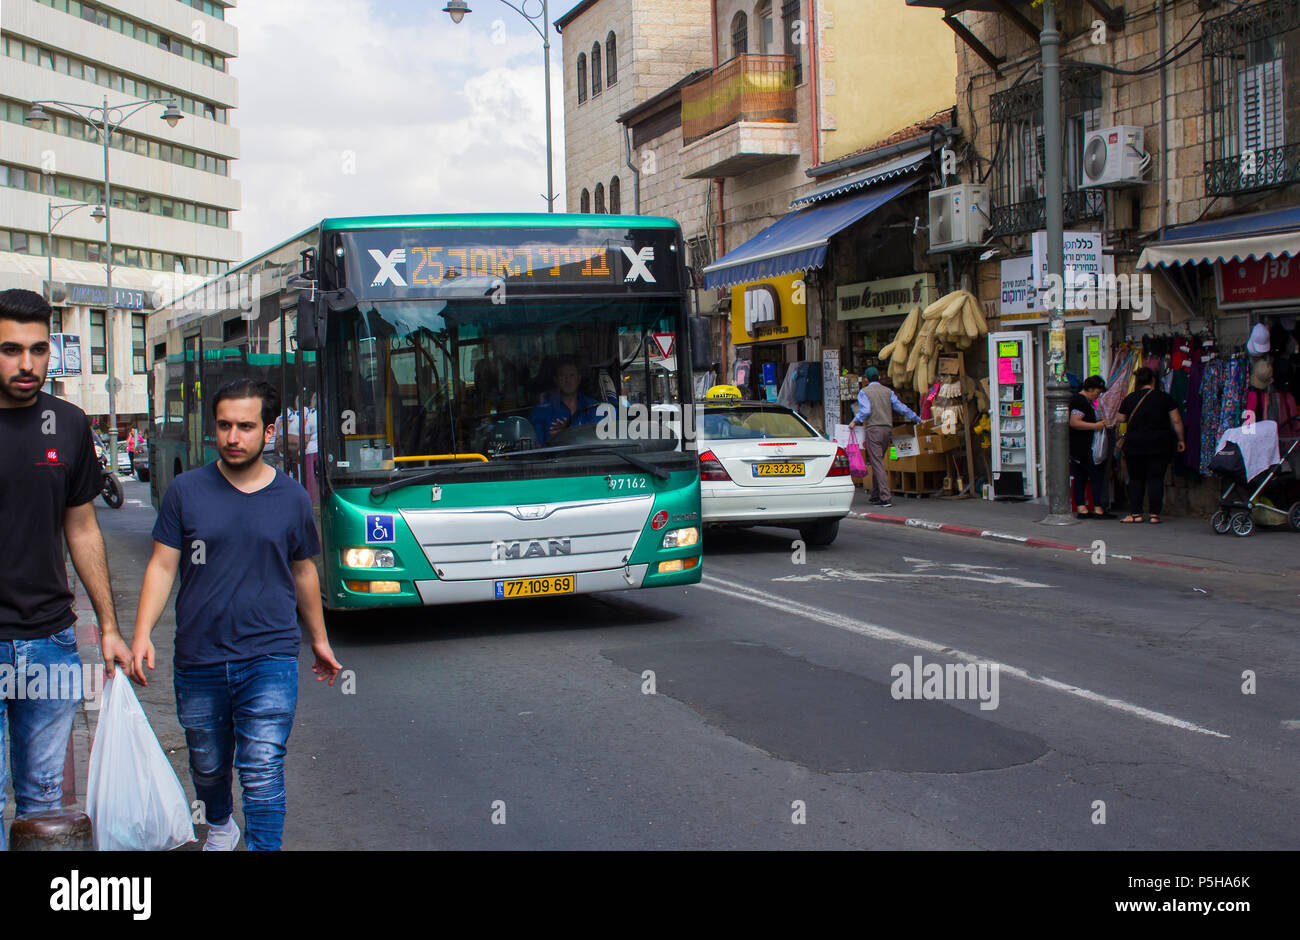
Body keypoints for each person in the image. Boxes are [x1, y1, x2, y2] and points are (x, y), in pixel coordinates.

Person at [129, 378, 342, 851]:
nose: (232, 437)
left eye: (245, 426)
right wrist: (142, 633)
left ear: (268, 431)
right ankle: (221, 825)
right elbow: (163, 565)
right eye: (224, 425)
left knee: (263, 767)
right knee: (206, 762)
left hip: (270, 656)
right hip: (199, 656)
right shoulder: (186, 491)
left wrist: (319, 640)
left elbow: (304, 572)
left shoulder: (291, 498)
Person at [0, 289, 131, 851]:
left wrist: (107, 627)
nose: (26, 364)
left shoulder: (70, 424)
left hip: (49, 640)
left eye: (37, 350)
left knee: (44, 803)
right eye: (9, 350)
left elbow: (81, 528)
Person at [1115, 366, 1185, 524]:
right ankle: (1154, 515)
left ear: (1138, 382)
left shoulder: (1130, 398)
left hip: (1134, 444)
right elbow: (1176, 420)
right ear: (1153, 380)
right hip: (1160, 444)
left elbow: (1120, 418)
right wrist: (1181, 440)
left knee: (1136, 479)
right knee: (1156, 478)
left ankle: (1136, 514)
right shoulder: (1164, 398)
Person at [848, 367, 921, 508]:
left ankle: (885, 497)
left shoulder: (864, 392)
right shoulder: (888, 391)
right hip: (887, 430)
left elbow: (866, 410)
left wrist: (855, 421)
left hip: (873, 429)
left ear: (866, 379)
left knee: (877, 463)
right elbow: (901, 408)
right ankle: (875, 495)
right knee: (878, 461)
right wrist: (916, 418)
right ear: (879, 378)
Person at [530, 358, 601, 445]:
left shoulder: (594, 407)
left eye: (572, 375)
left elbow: (598, 439)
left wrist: (568, 432)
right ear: (556, 380)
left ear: (579, 379)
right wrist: (558, 438)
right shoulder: (540, 411)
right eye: (562, 375)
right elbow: (538, 448)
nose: (568, 380)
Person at [1069, 375, 1111, 519]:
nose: (1098, 396)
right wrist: (1096, 425)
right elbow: (1074, 422)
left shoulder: (1083, 401)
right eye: (1097, 392)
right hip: (1084, 447)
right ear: (1090, 389)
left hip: (1079, 447)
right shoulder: (1080, 401)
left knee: (1081, 477)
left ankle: (1083, 509)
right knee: (1094, 476)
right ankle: (1097, 508)